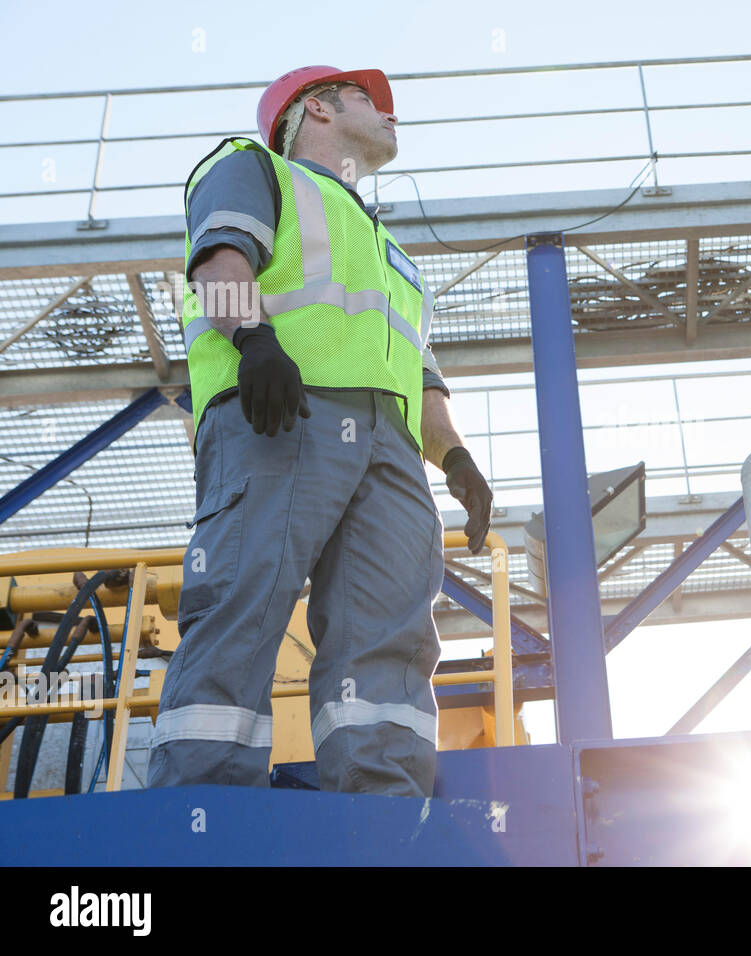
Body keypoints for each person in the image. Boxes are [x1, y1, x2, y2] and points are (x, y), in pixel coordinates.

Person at [147, 66, 493, 797]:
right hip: (282, 411)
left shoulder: (389, 251)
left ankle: (382, 805)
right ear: (318, 110)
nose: (390, 113)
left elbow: (419, 373)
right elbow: (221, 255)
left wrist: (456, 456)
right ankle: (203, 803)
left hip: (391, 448)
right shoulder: (254, 168)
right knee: (244, 599)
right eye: (370, 99)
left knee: (391, 631)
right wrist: (254, 341)